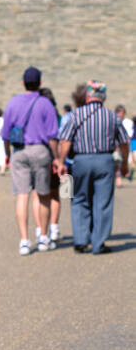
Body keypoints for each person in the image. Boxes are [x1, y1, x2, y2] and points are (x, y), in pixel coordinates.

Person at [56, 81, 130, 253]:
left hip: (80, 161)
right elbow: (124, 143)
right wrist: (124, 164)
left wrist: (61, 161)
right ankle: (98, 242)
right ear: (104, 97)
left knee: (79, 199)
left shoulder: (75, 115)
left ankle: (81, 240)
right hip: (105, 160)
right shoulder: (112, 116)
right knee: (103, 202)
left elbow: (65, 140)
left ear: (88, 96)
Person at [1, 67, 60, 255]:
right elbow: (52, 136)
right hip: (41, 151)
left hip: (19, 151)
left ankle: (24, 241)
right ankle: (43, 237)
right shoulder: (45, 104)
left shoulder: (12, 103)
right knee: (43, 195)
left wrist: (7, 154)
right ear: (40, 83)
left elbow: (5, 134)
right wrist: (57, 158)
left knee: (22, 195)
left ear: (22, 82)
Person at [35, 88, 62, 249]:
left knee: (37, 196)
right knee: (55, 194)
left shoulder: (35, 112)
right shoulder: (56, 115)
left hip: (38, 155)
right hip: (53, 156)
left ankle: (40, 229)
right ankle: (53, 228)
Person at [115, 105, 133, 185]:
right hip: (116, 146)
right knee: (117, 161)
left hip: (125, 145)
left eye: (122, 112)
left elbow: (129, 134)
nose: (121, 114)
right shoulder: (113, 120)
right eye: (119, 112)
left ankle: (124, 172)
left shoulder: (128, 122)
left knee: (124, 162)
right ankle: (118, 178)